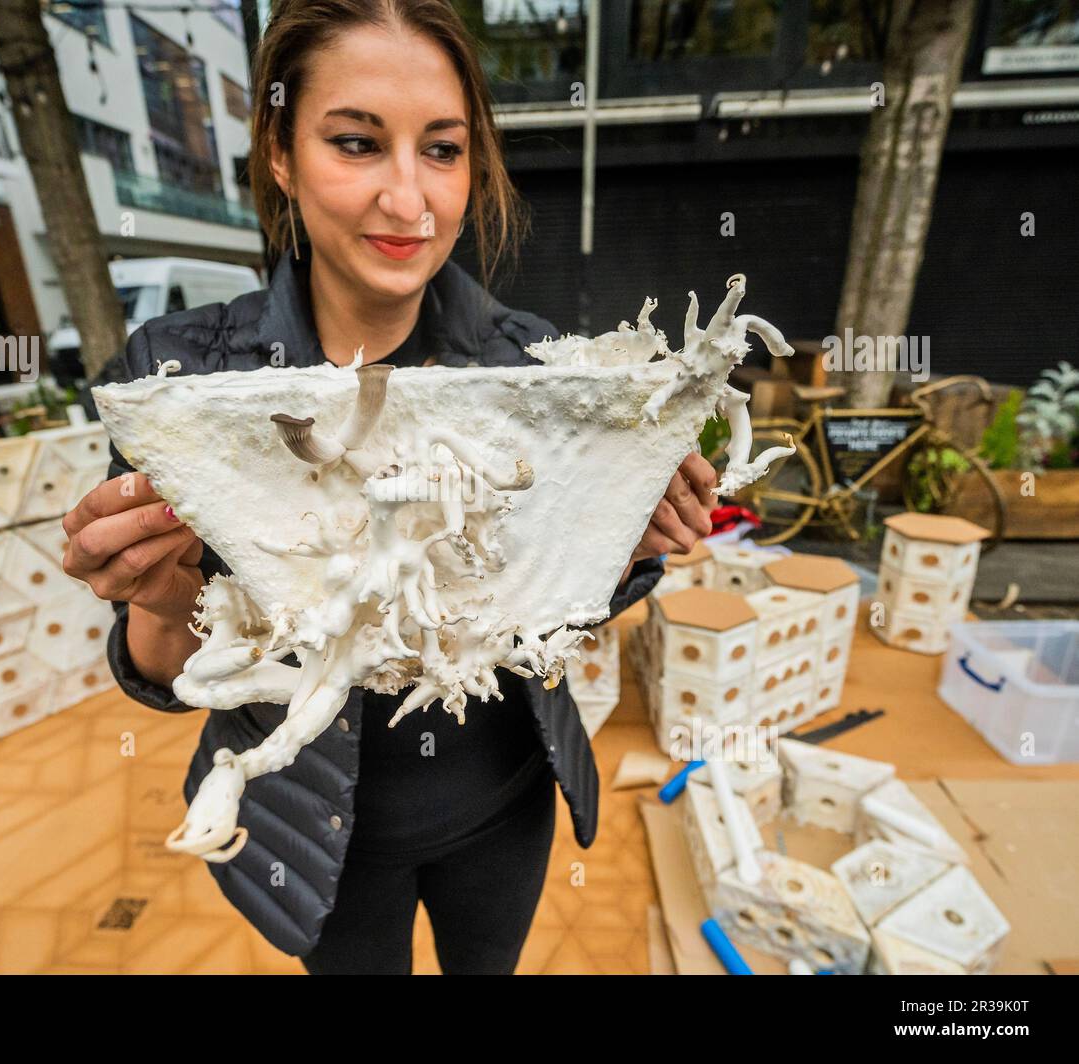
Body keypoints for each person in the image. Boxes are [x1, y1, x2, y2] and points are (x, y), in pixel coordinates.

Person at [63, 0, 717, 974]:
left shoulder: (539, 366)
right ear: (280, 154)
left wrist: (629, 539)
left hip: (504, 801)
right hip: (308, 830)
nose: (409, 200)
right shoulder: (183, 380)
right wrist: (159, 597)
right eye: (357, 143)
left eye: (442, 151)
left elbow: (563, 596)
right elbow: (165, 666)